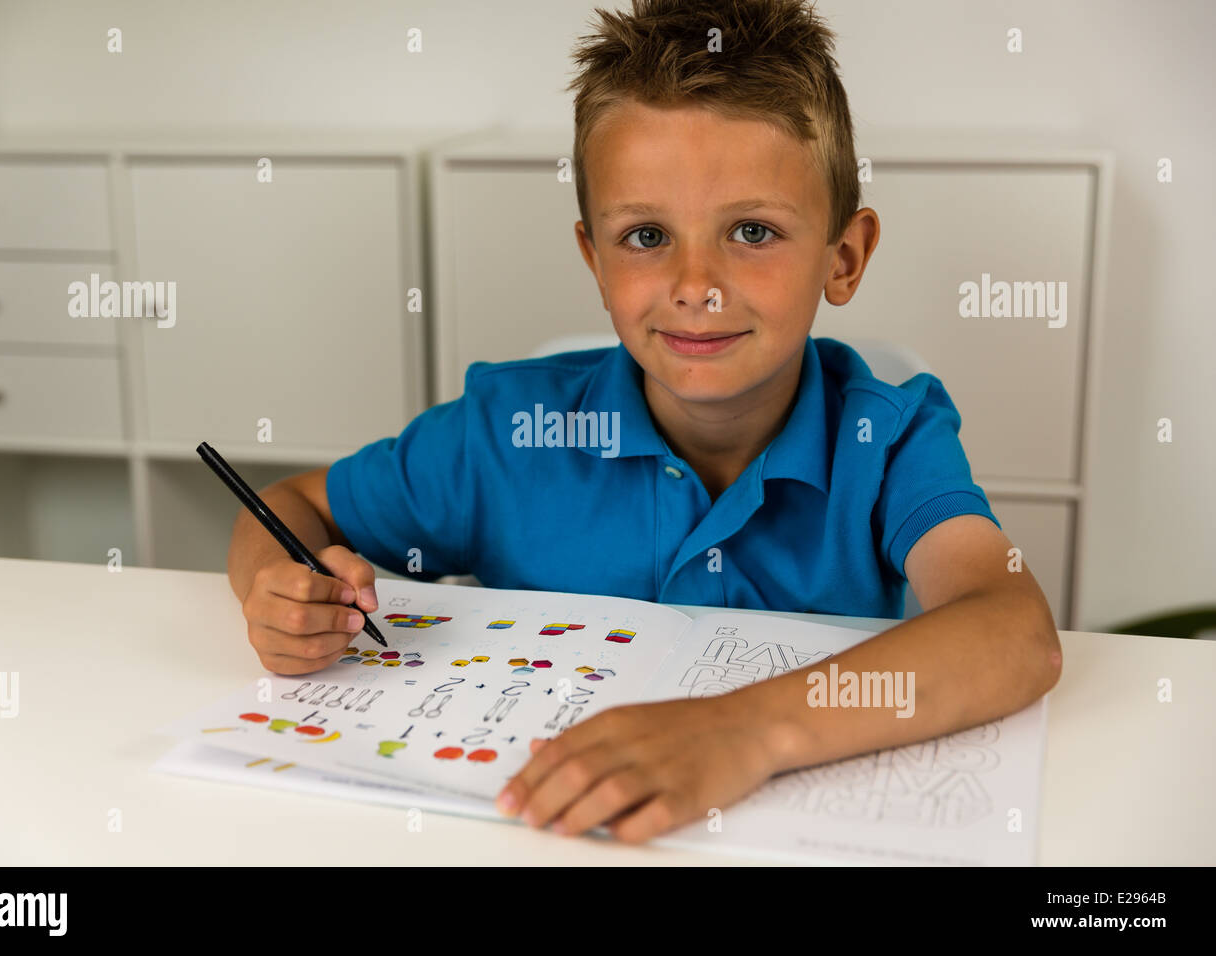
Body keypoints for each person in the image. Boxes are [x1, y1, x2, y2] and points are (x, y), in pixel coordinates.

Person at [226, 0, 1061, 844]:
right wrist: (278, 591)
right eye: (647, 235)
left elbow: (1014, 630)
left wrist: (746, 730)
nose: (695, 283)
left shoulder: (890, 440)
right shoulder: (503, 435)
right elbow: (289, 505)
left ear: (843, 258)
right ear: (594, 257)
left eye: (751, 230)